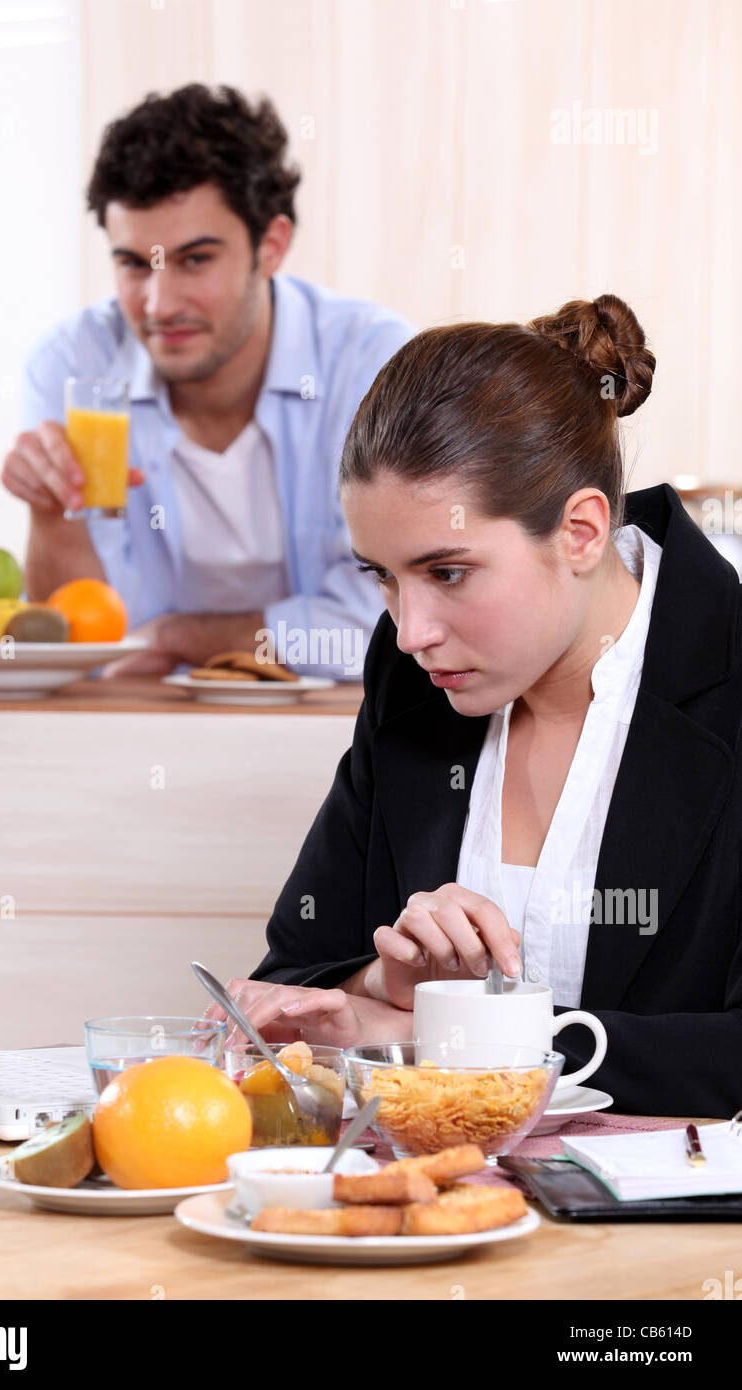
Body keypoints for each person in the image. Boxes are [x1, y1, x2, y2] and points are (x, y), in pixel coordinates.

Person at [203, 293, 742, 1118]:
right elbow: (295, 972)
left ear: (582, 533)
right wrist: (383, 985)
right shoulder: (414, 674)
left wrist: (445, 1033)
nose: (410, 630)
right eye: (380, 575)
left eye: (447, 572)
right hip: (439, 1207)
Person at [1, 84, 414, 680]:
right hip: (144, 723)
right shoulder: (73, 367)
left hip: (332, 724)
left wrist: (178, 637)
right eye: (133, 263)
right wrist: (47, 509)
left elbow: (390, 621)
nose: (159, 304)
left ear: (270, 247)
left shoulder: (371, 362)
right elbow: (87, 641)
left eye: (195, 260)